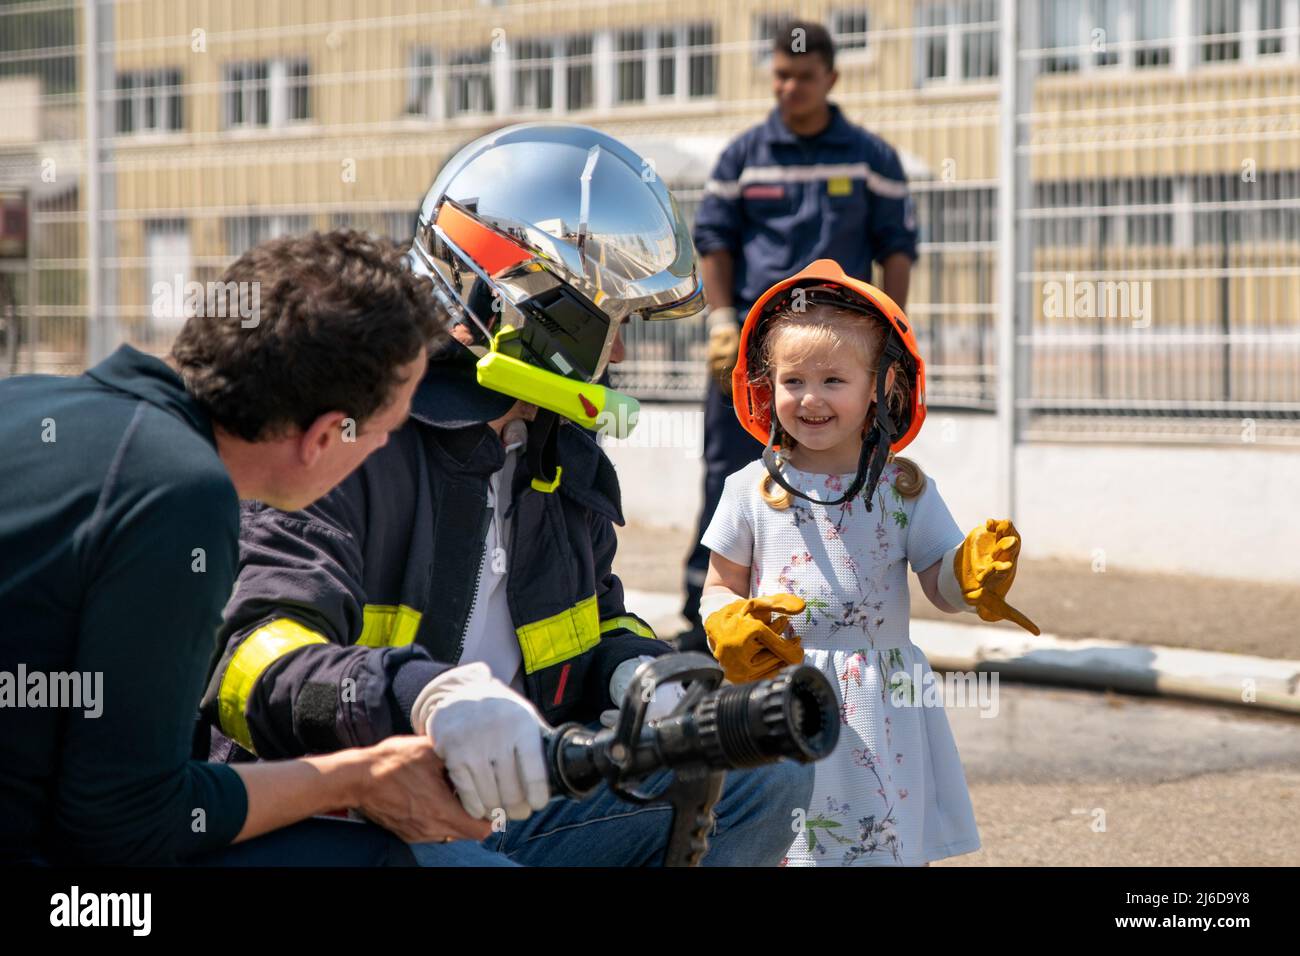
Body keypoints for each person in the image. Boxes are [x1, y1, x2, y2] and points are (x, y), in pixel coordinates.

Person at [199, 123, 813, 866]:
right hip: (351, 814)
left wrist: (640, 674)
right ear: (529, 308)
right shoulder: (354, 440)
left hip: (513, 803)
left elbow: (594, 623)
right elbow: (248, 662)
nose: (617, 353)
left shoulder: (560, 452)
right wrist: (425, 697)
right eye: (608, 324)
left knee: (764, 785)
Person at [0, 229, 494, 866]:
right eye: (386, 433)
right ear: (322, 438)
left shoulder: (34, 399)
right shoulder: (182, 496)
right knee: (380, 860)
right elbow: (126, 827)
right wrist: (359, 779)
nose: (382, 452)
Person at [697, 259, 1040, 866]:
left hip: (887, 698)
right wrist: (725, 620)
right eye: (792, 380)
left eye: (834, 381)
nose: (810, 398)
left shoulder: (903, 489)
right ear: (763, 385)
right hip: (783, 694)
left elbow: (940, 580)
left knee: (883, 839)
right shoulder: (749, 489)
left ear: (881, 387)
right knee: (785, 839)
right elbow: (719, 586)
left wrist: (970, 575)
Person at [681, 19, 920, 647]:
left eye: (804, 77)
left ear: (831, 78)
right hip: (757, 350)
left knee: (852, 463)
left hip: (844, 351)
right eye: (781, 76)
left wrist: (891, 339)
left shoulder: (871, 158)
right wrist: (723, 320)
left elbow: (898, 248)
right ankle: (709, 610)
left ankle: (846, 603)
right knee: (729, 467)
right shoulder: (741, 157)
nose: (791, 87)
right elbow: (714, 240)